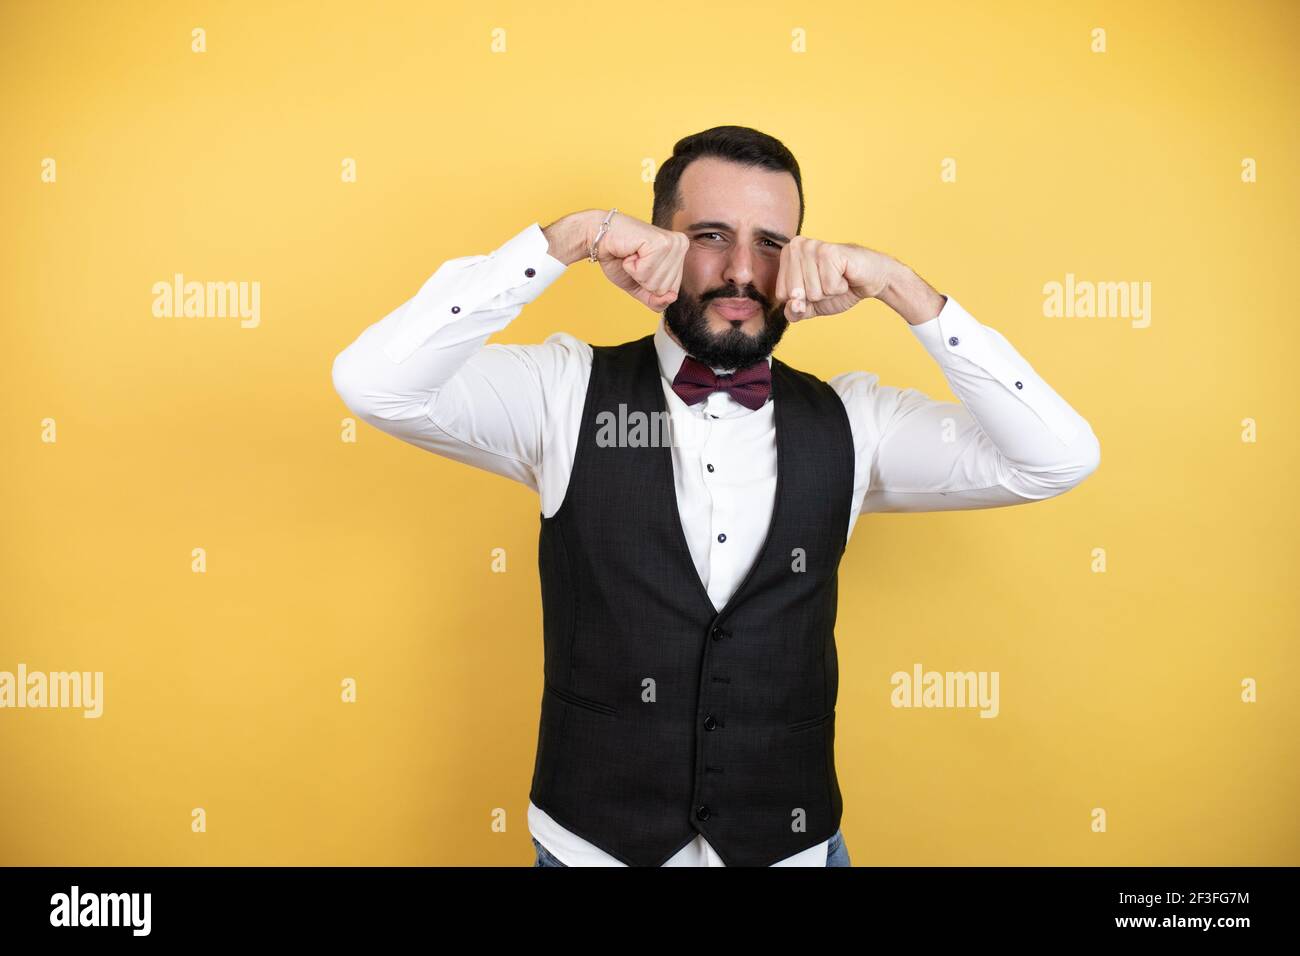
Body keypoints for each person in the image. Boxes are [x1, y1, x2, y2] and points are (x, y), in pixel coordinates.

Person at [331, 125, 1101, 867]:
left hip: (793, 852)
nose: (741, 271)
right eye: (709, 235)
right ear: (656, 240)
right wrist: (569, 237)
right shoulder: (561, 392)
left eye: (771, 243)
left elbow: (1056, 458)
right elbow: (375, 384)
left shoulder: (856, 420)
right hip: (593, 850)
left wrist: (903, 289)